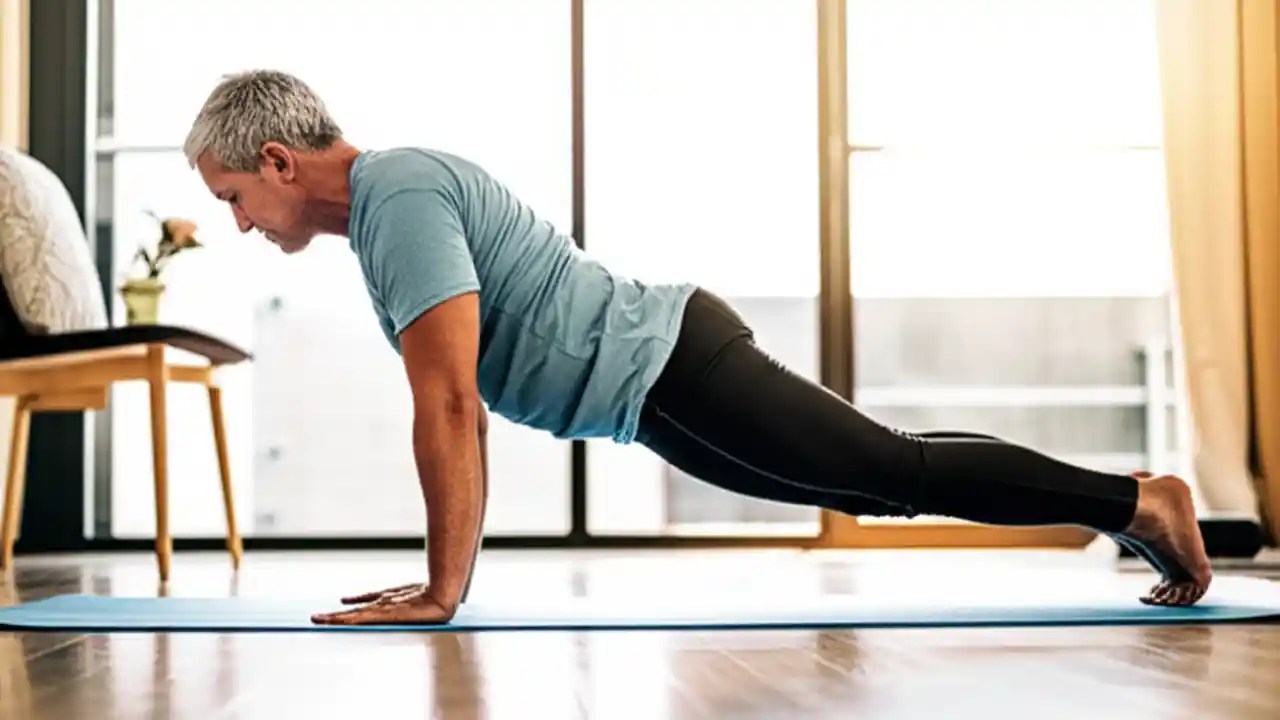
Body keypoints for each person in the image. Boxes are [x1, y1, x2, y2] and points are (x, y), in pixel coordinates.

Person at [181, 70, 1213, 626]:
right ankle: (1124, 505)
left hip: (673, 361)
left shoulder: (395, 195)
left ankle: (1139, 501)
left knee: (887, 470)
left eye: (233, 198)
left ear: (277, 159)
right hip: (650, 395)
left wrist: (441, 591)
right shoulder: (385, 209)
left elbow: (450, 404)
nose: (237, 223)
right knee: (868, 485)